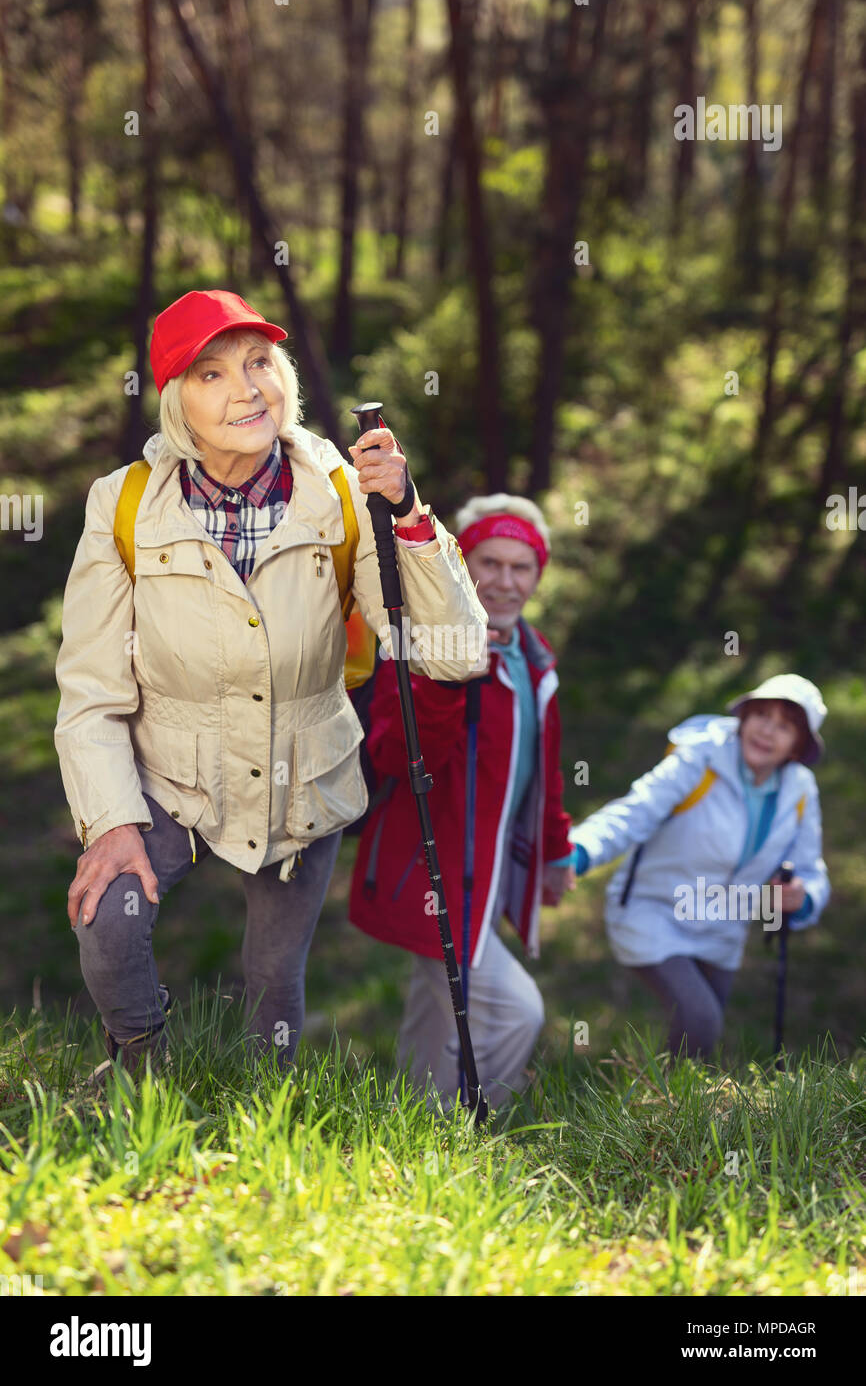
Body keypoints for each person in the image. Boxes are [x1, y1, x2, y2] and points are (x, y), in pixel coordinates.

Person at [53, 288, 487, 1081]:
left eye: (259, 363)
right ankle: (142, 1069)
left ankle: (263, 1124)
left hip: (303, 769)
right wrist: (111, 820)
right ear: (177, 400)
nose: (247, 389)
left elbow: (450, 653)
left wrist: (410, 514)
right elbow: (89, 690)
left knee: (273, 982)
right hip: (166, 770)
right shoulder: (121, 505)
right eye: (211, 373)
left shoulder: (347, 493)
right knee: (108, 924)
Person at [348, 494, 576, 1109]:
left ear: (537, 575)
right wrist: (449, 681)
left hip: (487, 873)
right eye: (488, 563)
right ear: (462, 568)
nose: (504, 581)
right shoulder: (429, 642)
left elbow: (543, 771)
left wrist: (554, 852)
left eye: (520, 566)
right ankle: (475, 1131)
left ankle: (412, 1124)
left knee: (437, 1011)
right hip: (430, 873)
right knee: (515, 1012)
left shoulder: (533, 657)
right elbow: (394, 756)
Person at [567, 674, 830, 1058]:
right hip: (653, 910)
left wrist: (801, 898)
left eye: (785, 726)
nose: (767, 731)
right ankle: (663, 1113)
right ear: (743, 718)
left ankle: (669, 1107)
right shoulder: (699, 757)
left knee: (701, 1039)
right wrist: (579, 851)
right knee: (701, 1019)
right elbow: (634, 811)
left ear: (798, 747)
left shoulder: (800, 789)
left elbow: (810, 869)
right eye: (760, 715)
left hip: (723, 928)